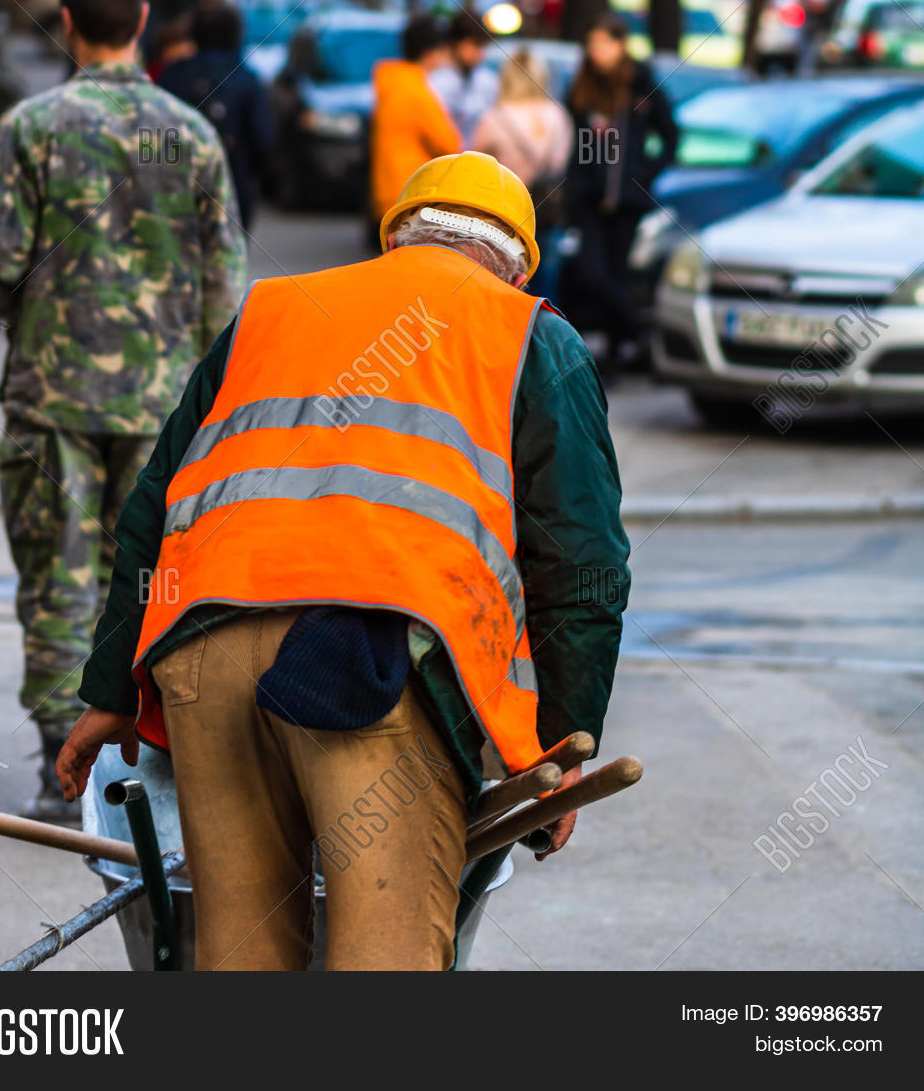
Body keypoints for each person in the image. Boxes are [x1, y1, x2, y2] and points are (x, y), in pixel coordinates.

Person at [57, 151, 631, 972]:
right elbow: (582, 566)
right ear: (516, 268)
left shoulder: (271, 309)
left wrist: (111, 693)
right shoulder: (530, 333)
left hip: (204, 658)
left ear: (395, 240)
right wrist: (561, 746)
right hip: (370, 673)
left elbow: (151, 510)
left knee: (240, 965)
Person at [0, 0, 246, 822]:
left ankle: (63, 759)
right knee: (153, 582)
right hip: (164, 408)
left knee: (58, 577)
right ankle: (143, 757)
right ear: (144, 21)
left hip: (52, 396)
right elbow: (225, 280)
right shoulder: (188, 133)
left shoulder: (34, 127)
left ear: (67, 22)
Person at [562, 12, 678, 368]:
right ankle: (640, 333)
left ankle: (616, 350)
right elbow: (573, 142)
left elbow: (670, 135)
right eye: (591, 44)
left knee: (617, 273)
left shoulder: (640, 85)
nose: (595, 51)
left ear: (620, 45)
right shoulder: (583, 86)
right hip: (590, 198)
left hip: (627, 200)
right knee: (592, 274)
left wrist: (644, 173)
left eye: (603, 43)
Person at [159, 0, 276, 230]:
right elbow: (263, 140)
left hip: (180, 189)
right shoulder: (247, 80)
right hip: (234, 187)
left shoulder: (173, 75)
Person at [473, 47, 574, 304]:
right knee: (546, 283)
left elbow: (475, 165)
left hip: (505, 215)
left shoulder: (495, 118)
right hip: (547, 211)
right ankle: (543, 327)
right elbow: (560, 163)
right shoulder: (558, 115)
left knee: (506, 284)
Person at [369, 12, 460, 223]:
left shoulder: (392, 82)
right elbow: (449, 144)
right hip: (411, 195)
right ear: (430, 53)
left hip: (388, 190)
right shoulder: (417, 91)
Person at [428, 10, 498, 144]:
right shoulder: (437, 82)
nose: (480, 53)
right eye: (475, 45)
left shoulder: (486, 80)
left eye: (482, 46)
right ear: (456, 43)